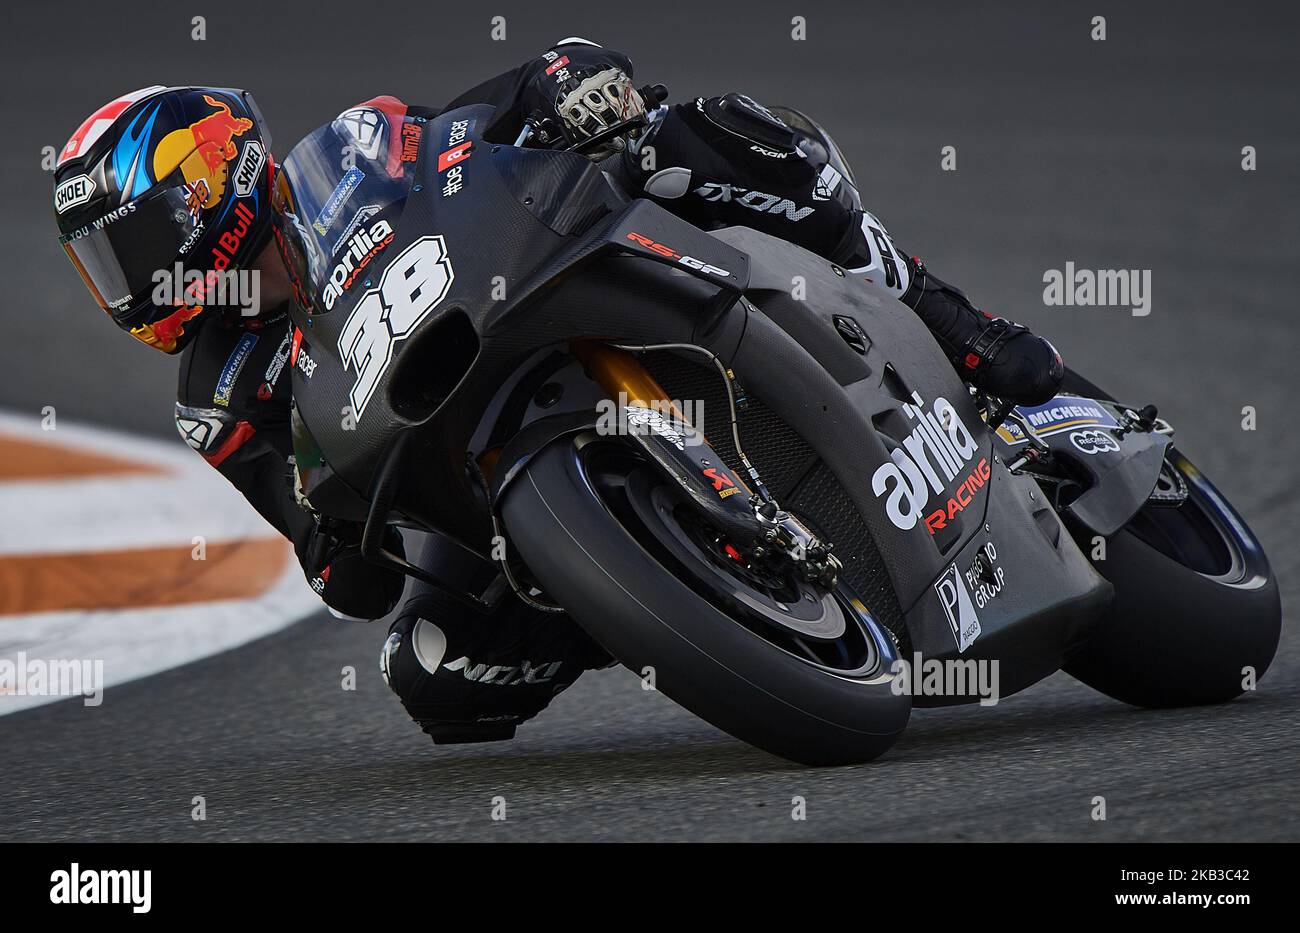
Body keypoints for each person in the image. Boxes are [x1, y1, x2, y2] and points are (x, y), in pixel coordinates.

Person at [51, 39, 1063, 745]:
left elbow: (479, 119)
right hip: (456, 477)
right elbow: (337, 576)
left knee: (687, 138)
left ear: (205, 185)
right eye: (105, 262)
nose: (127, 281)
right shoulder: (217, 400)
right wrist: (335, 525)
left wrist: (570, 87)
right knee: (431, 669)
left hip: (540, 291)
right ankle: (652, 596)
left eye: (131, 243)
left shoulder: (353, 150)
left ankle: (952, 320)